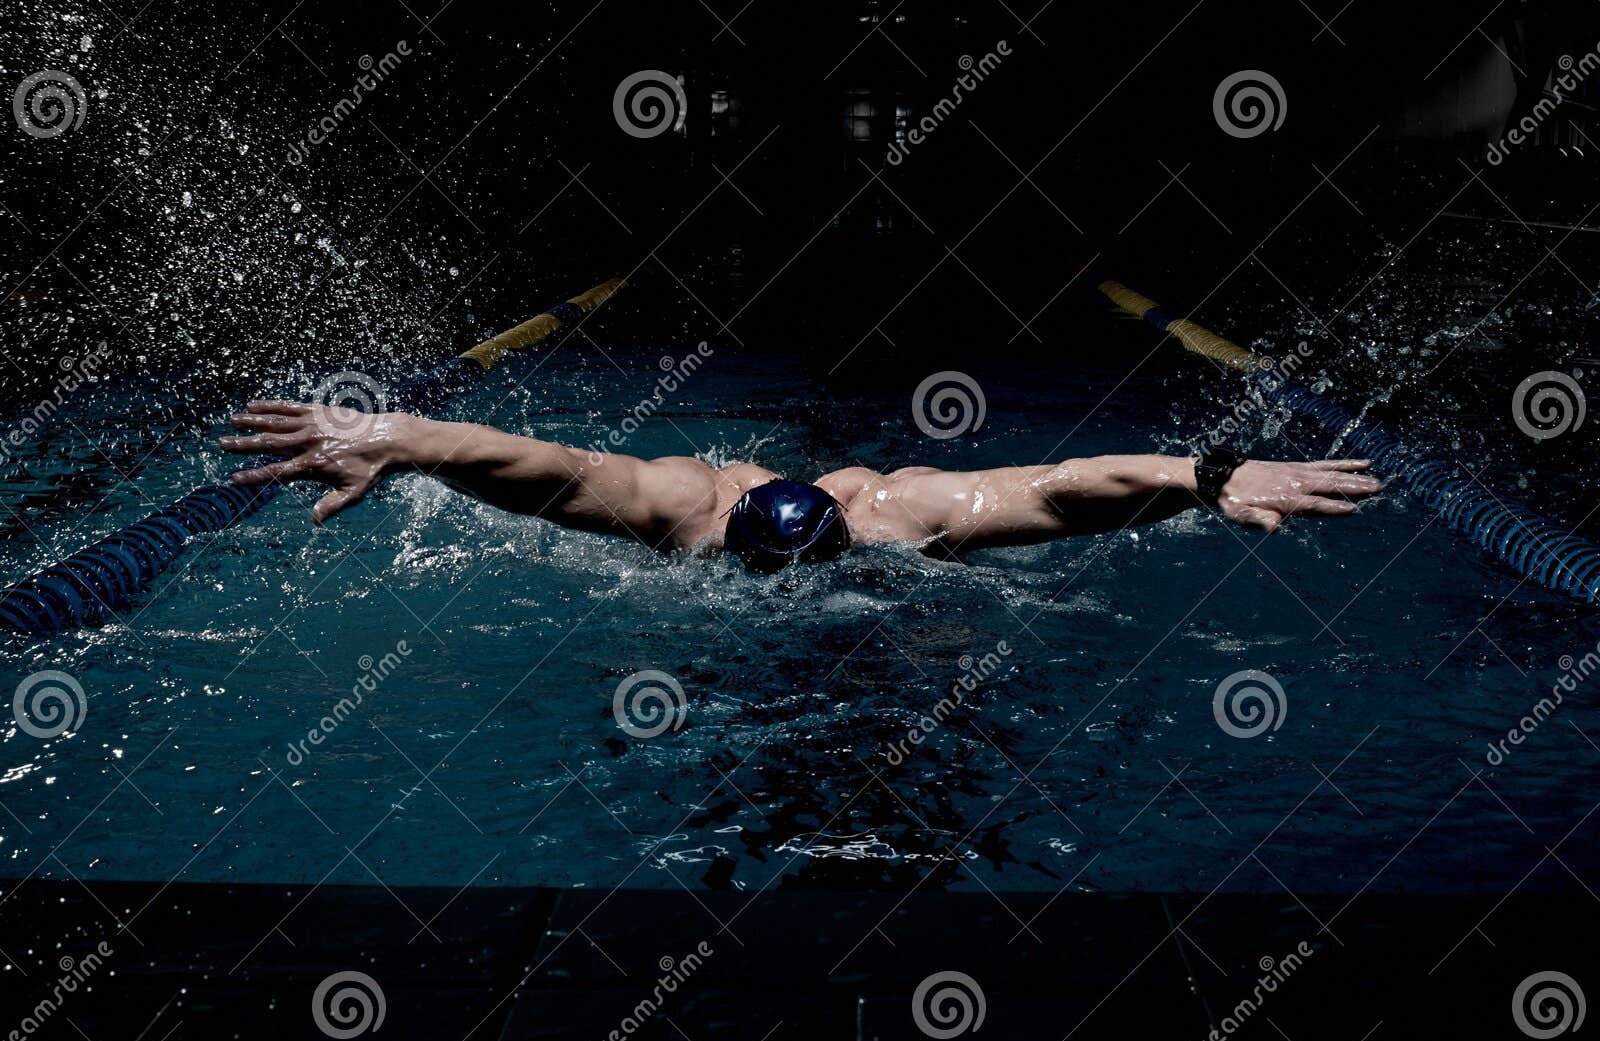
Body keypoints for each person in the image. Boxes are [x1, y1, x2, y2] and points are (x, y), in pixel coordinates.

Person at [218, 401, 1382, 570]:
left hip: (889, 501)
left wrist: (1211, 473)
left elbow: (1063, 485)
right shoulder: (684, 500)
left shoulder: (897, 512)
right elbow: (554, 468)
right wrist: (408, 434)